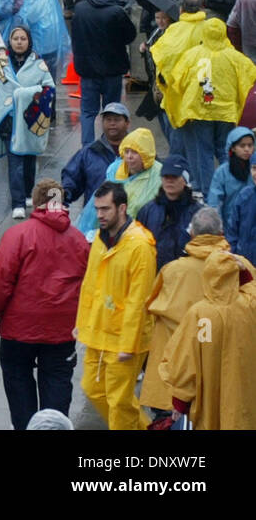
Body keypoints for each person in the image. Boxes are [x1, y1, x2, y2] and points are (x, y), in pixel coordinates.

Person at [0, 178, 89, 429]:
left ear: (37, 202)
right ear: (60, 202)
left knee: (18, 379)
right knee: (57, 381)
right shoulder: (79, 240)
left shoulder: (18, 235)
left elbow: (2, 276)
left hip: (19, 329)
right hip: (62, 331)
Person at [75, 182, 158, 430]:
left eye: (106, 209)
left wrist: (128, 344)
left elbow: (138, 300)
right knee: (93, 389)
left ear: (122, 208)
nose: (100, 214)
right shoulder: (101, 239)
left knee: (119, 401)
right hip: (100, 332)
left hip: (124, 336)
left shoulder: (140, 246)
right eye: (97, 209)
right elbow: (90, 285)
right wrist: (82, 324)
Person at [139, 208, 228, 422]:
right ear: (222, 234)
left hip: (170, 378)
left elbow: (149, 307)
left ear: (192, 235)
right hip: (217, 376)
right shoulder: (237, 270)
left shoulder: (171, 271)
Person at [157, 249, 256, 429]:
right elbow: (252, 287)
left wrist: (180, 401)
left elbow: (186, 361)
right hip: (243, 402)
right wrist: (243, 272)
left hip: (209, 403)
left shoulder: (201, 315)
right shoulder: (249, 306)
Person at [162, 18, 256, 196]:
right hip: (225, 112)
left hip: (200, 111)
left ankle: (208, 192)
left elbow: (177, 78)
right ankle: (232, 188)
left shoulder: (193, 55)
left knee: (203, 152)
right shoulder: (233, 56)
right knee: (225, 150)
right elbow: (250, 73)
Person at [0, 24, 57, 219]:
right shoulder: (2, 65)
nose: (19, 42)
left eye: (23, 39)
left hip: (30, 122)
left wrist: (26, 94)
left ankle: (27, 191)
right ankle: (18, 203)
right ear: (10, 41)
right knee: (15, 162)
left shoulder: (38, 63)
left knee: (30, 159)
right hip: (9, 121)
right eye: (16, 39)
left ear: (29, 41)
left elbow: (49, 88)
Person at [70, 0, 137, 146]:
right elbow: (130, 35)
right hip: (112, 70)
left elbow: (75, 36)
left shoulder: (80, 9)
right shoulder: (116, 11)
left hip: (87, 70)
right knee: (112, 113)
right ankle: (111, 145)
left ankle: (87, 149)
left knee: (87, 112)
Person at [136, 155, 204, 271]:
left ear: (185, 180)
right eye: (166, 176)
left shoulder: (199, 215)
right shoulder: (147, 211)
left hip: (185, 278)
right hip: (155, 277)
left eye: (174, 176)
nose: (169, 180)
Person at [209, 128, 255, 229]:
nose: (247, 149)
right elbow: (214, 202)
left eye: (250, 145)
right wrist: (218, 227)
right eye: (242, 146)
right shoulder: (222, 172)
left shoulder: (254, 168)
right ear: (232, 148)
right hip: (229, 226)